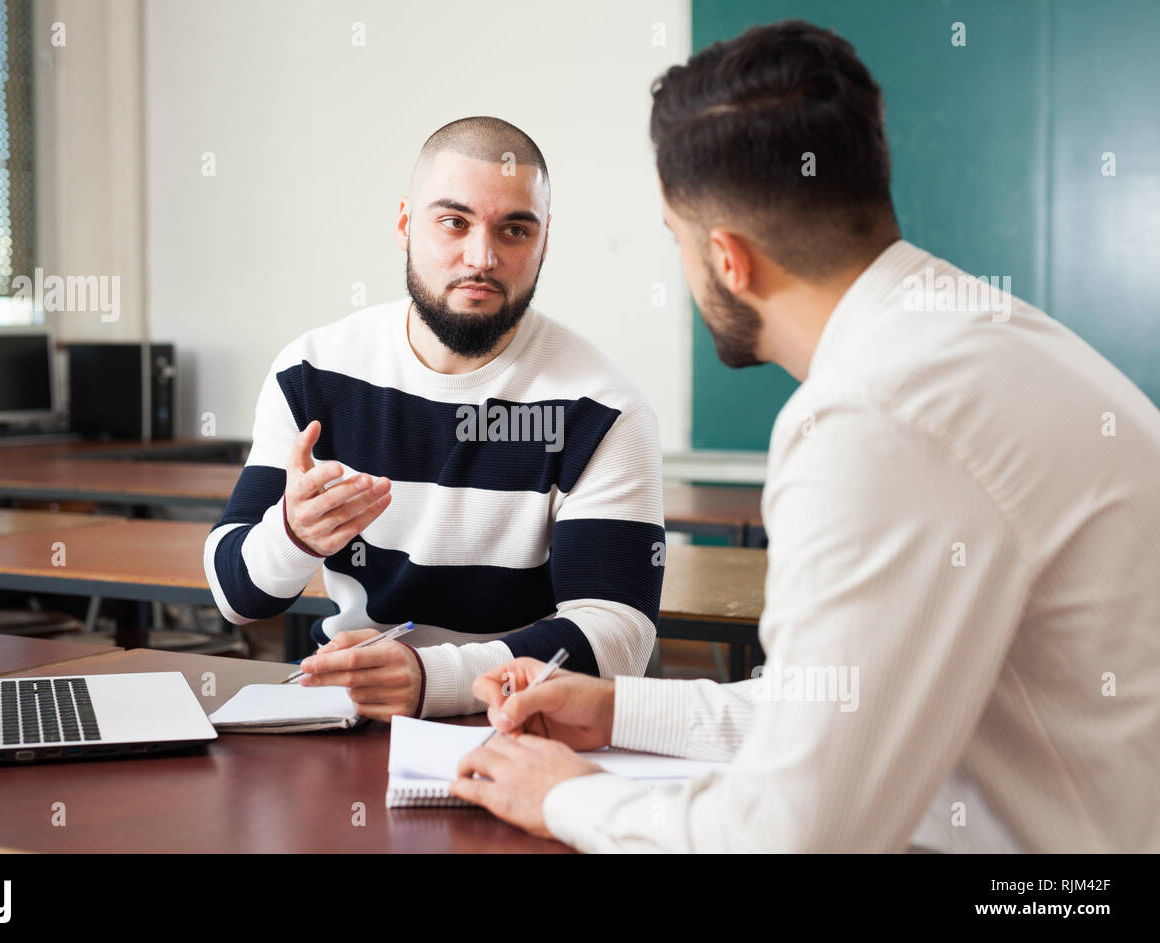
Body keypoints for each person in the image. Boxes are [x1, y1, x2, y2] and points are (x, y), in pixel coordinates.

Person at [451, 20, 1160, 852]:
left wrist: (570, 800)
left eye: (676, 242)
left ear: (728, 259)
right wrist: (618, 708)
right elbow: (843, 703)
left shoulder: (872, 417)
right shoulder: (976, 332)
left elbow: (796, 836)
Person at [204, 117, 665, 721]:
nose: (483, 257)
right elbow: (238, 601)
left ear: (545, 240)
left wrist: (436, 680)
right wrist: (292, 534)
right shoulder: (314, 371)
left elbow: (619, 634)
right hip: (343, 710)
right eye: (454, 222)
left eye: (515, 229)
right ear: (405, 224)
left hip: (515, 723)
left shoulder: (604, 408)